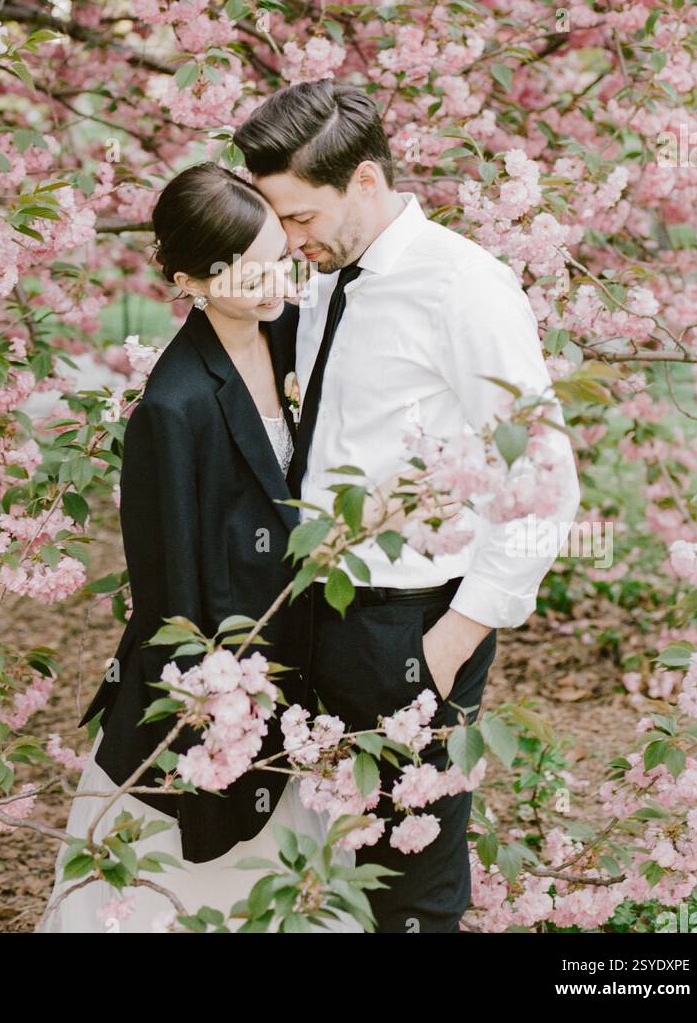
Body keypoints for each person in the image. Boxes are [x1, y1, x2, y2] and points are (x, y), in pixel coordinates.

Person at [233, 78, 582, 934]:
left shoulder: (463, 286)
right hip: (319, 607)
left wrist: (453, 641)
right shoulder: (326, 275)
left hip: (411, 624)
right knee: (332, 855)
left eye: (300, 215)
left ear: (363, 182)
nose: (289, 238)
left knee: (411, 883)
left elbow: (542, 471)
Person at [36, 162, 361, 934]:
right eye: (245, 274)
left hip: (303, 655)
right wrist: (208, 709)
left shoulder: (289, 337)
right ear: (188, 281)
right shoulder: (173, 408)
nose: (271, 284)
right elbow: (167, 591)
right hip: (222, 674)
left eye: (274, 260)